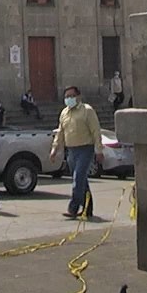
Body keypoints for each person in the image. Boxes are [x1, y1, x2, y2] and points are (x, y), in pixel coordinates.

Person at [49, 86, 103, 219]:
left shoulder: (87, 111)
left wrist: (99, 150)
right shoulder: (64, 113)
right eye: (66, 96)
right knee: (82, 180)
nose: (68, 99)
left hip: (85, 148)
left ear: (78, 97)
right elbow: (60, 133)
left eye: (71, 96)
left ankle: (73, 208)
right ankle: (87, 208)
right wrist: (54, 149)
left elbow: (96, 131)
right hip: (71, 150)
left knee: (78, 178)